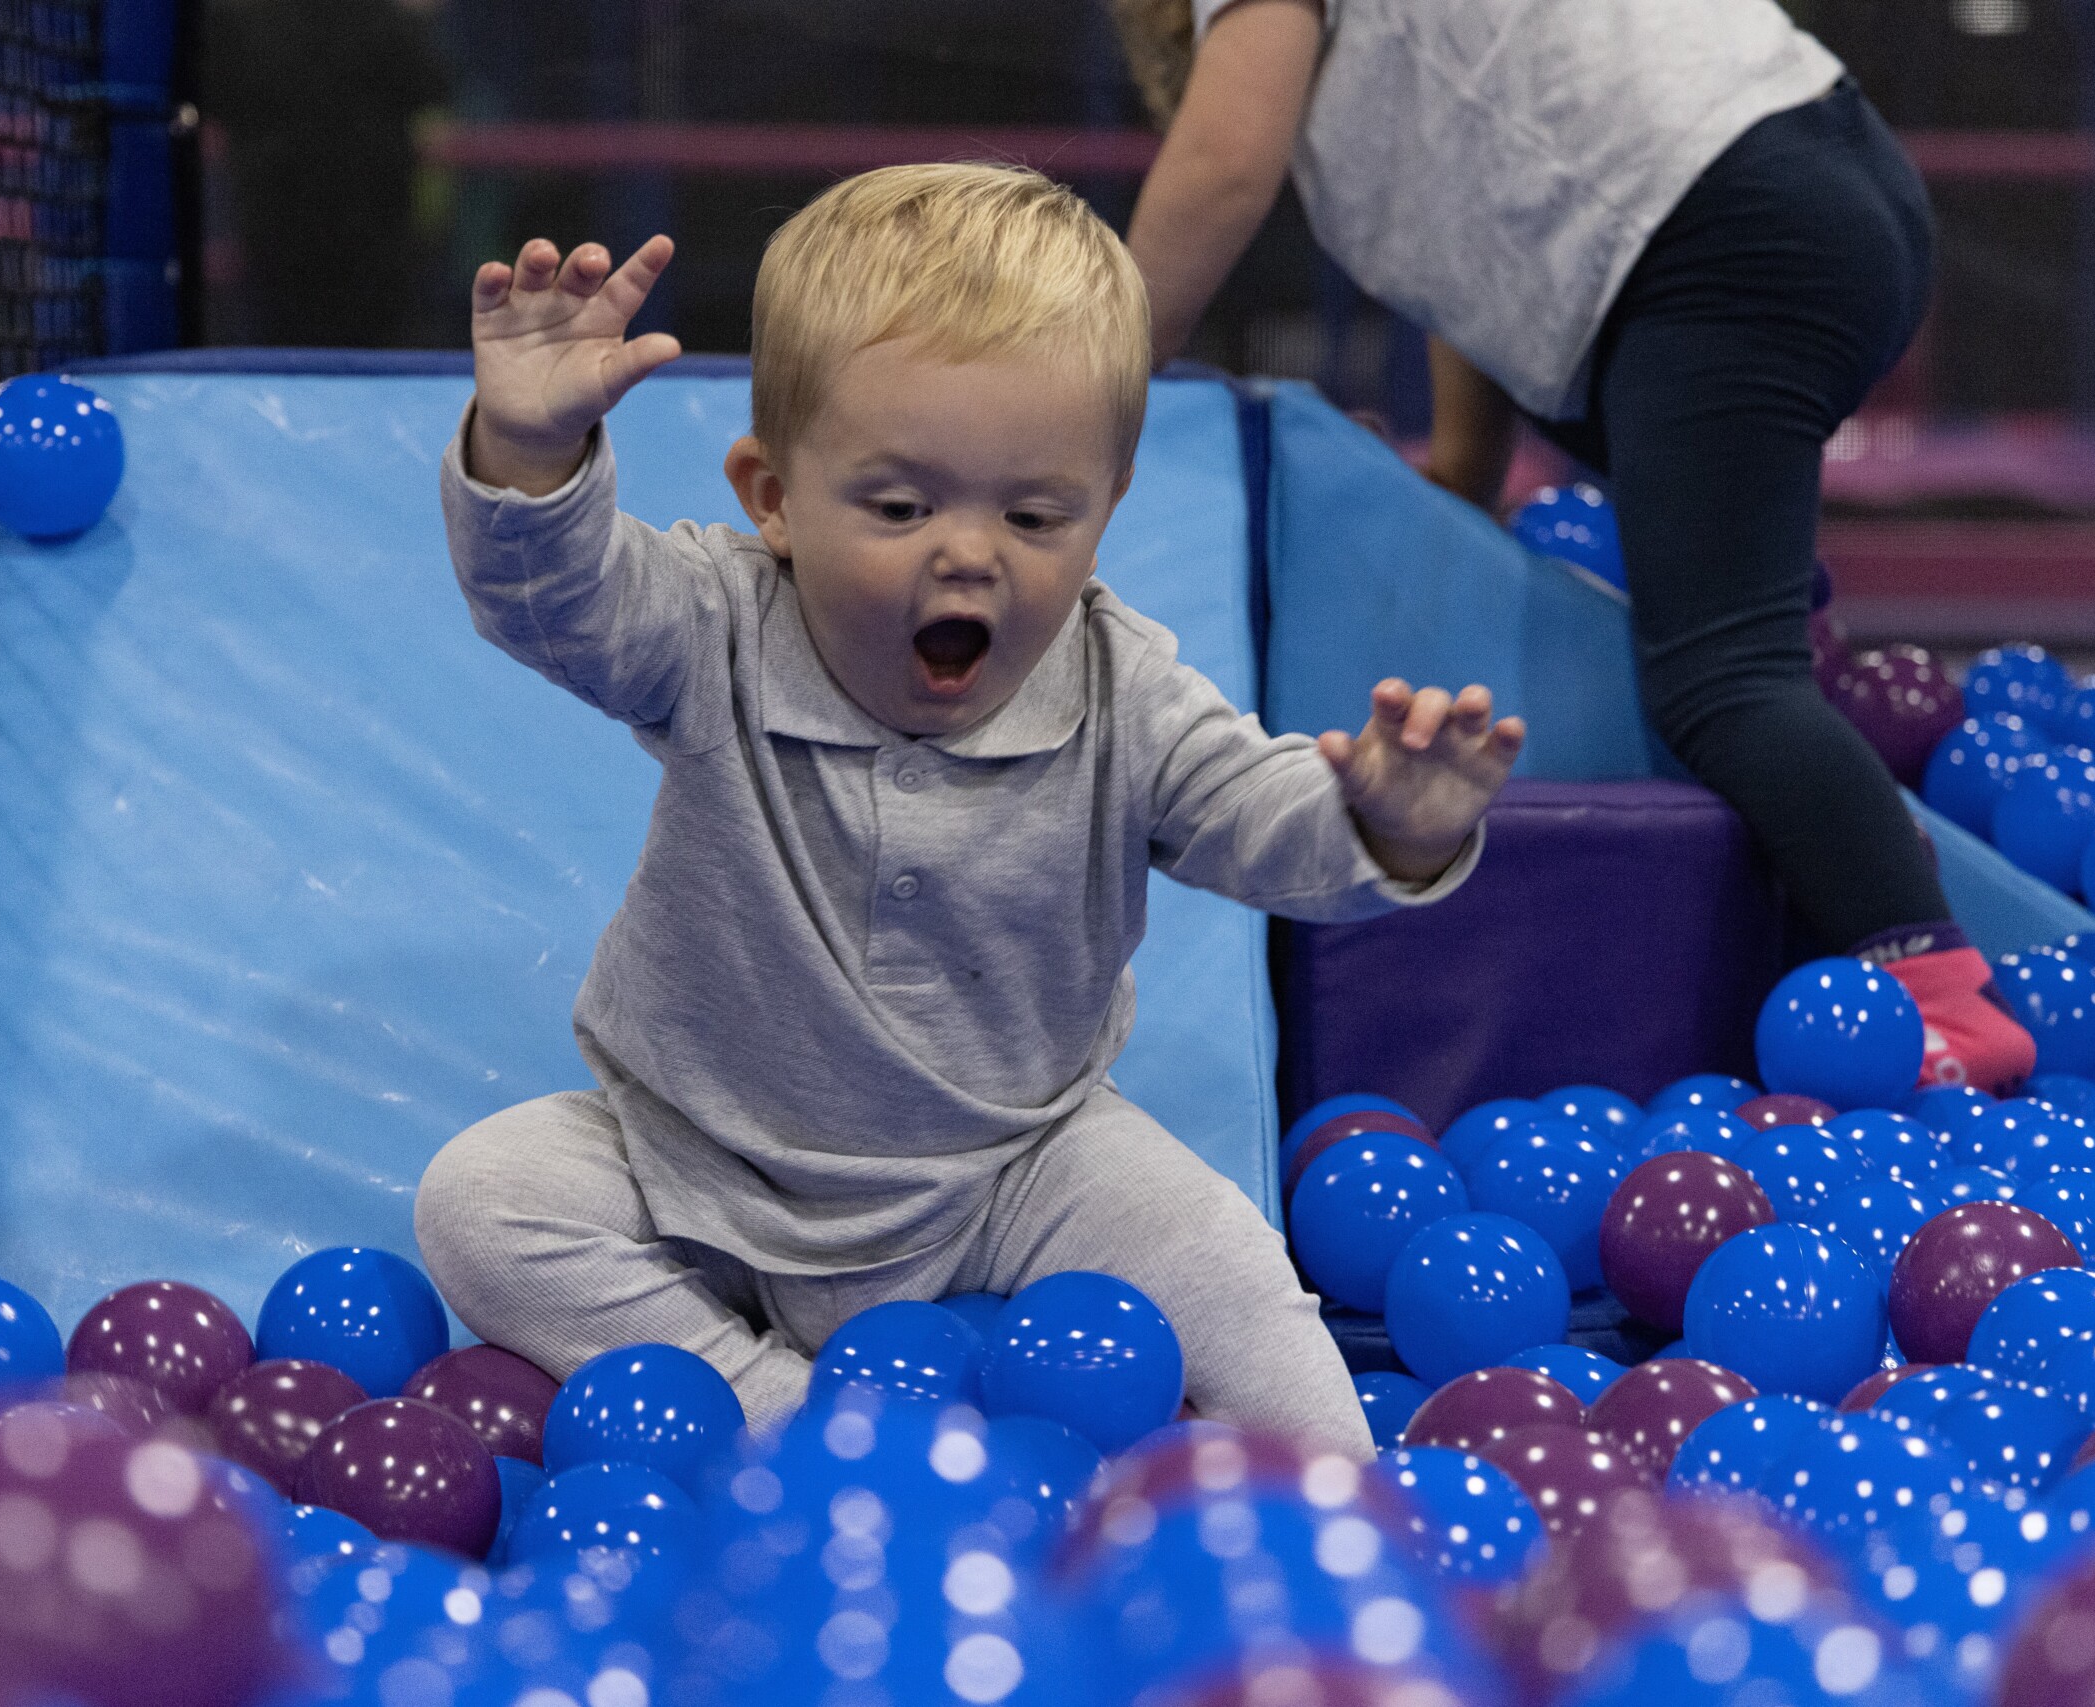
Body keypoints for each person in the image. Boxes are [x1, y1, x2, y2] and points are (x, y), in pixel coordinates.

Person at [412, 163, 1522, 1450]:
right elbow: (557, 601)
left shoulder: (1121, 690)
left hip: (1011, 1170)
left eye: (1035, 513)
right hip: (700, 1162)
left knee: (1226, 1261)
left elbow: (1260, 817)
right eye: (899, 504)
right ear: (772, 498)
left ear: (1103, 516)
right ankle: (773, 1409)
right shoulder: (710, 628)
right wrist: (533, 453)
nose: (968, 551)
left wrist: (1393, 819)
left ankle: (1345, 1500)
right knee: (482, 1200)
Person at [1112, 0, 2036, 1091]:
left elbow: (1221, 165)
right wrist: (1459, 466)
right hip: (1814, 169)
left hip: (1720, 213)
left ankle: (1940, 1002)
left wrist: (1092, 378)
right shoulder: (1406, 61)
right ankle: (1850, 820)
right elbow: (1474, 254)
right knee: (1713, 571)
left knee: (1723, 681)